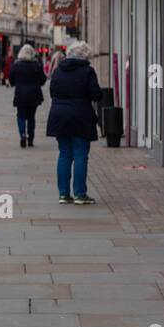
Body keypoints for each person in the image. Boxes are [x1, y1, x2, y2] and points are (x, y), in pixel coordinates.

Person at [46, 40, 103, 205]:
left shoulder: (58, 71)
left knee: (64, 154)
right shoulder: (87, 71)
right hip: (80, 116)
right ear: (85, 56)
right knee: (80, 155)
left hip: (59, 115)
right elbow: (95, 94)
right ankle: (80, 194)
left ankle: (63, 194)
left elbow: (52, 92)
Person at [8, 44, 47, 148]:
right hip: (34, 94)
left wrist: (15, 83)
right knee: (31, 117)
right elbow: (43, 80)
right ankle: (30, 139)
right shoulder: (37, 65)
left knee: (20, 116)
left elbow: (11, 78)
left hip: (20, 94)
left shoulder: (16, 65)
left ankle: (22, 135)